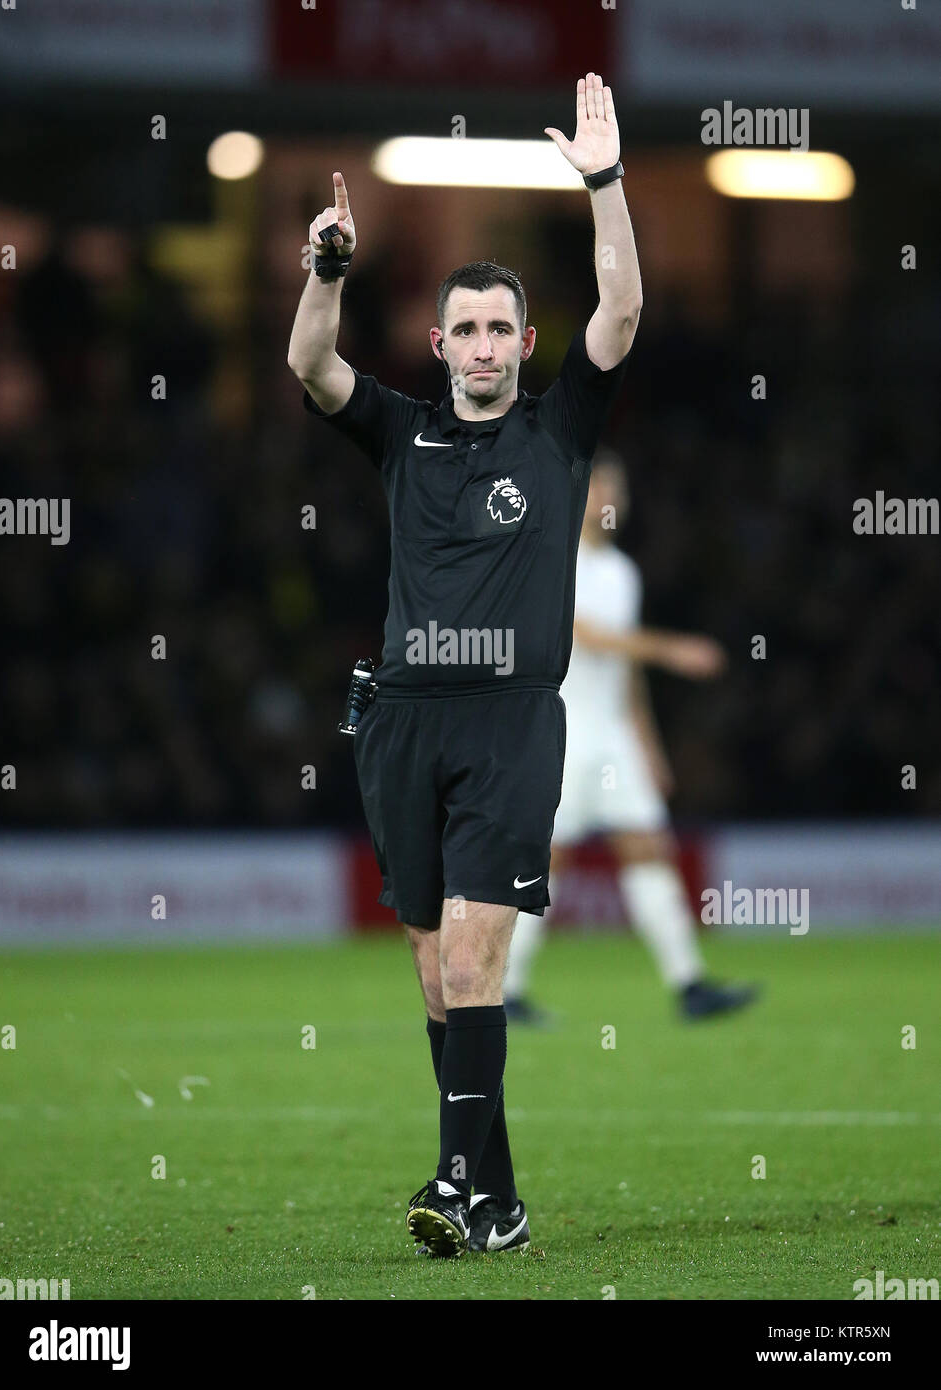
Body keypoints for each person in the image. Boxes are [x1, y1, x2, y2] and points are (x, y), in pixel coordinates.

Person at [288, 74, 641, 1258]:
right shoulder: (399, 428)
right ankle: (496, 1201)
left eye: (504, 327)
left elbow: (624, 313)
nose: (486, 345)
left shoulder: (555, 432)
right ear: (437, 341)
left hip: (505, 725)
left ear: (524, 343)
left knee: (481, 949)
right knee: (439, 972)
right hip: (399, 721)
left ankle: (448, 1180)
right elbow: (310, 368)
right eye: (467, 327)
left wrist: (603, 186)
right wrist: (326, 273)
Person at [506, 453, 760, 1023]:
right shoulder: (550, 559)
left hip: (614, 737)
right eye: (600, 486)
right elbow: (587, 636)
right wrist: (674, 649)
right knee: (547, 863)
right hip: (561, 733)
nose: (611, 497)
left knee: (650, 850)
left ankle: (690, 985)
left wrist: (649, 744)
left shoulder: (623, 572)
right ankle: (507, 991)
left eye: (617, 486)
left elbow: (625, 671)